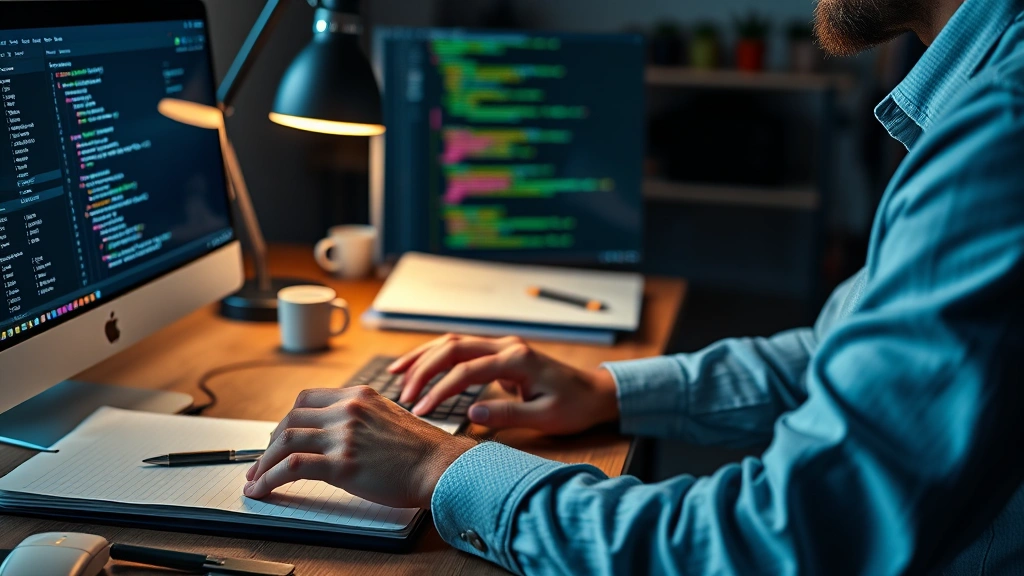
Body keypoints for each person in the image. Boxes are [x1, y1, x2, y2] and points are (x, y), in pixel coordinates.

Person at [243, 0, 1024, 572]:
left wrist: (438, 468)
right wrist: (610, 391)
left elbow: (779, 543)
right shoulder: (979, 98)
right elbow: (843, 348)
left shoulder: (999, 137)